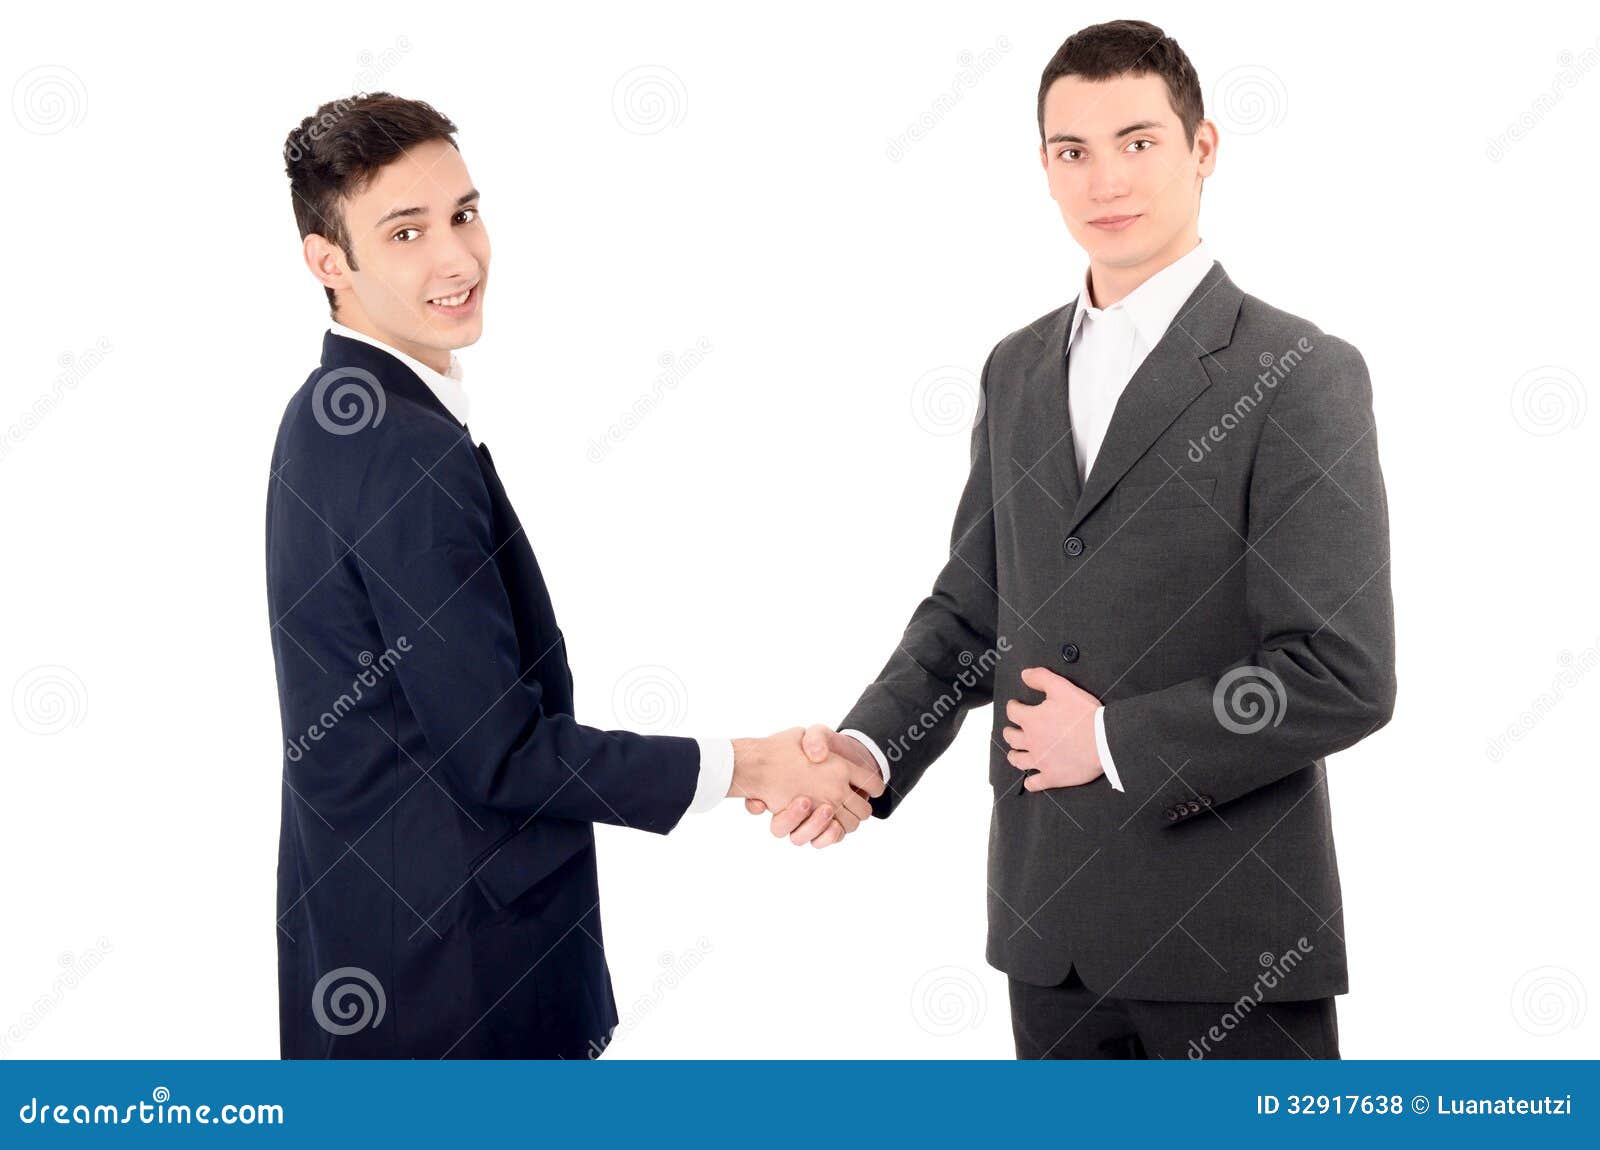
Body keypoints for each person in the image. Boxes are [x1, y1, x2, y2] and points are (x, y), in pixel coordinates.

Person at [749, 19, 1396, 1060]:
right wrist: (868, 751)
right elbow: (970, 615)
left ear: (1203, 149)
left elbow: (1340, 673)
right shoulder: (1014, 370)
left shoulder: (1299, 373)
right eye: (1071, 151)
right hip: (1049, 941)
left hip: (1230, 949)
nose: (1105, 180)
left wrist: (1107, 741)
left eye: (1137, 141)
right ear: (1044, 170)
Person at [267, 93, 883, 1058]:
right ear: (328, 262)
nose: (457, 258)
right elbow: (499, 754)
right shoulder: (401, 450)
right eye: (406, 231)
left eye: (465, 213)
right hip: (460, 992)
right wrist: (751, 764)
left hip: (377, 960)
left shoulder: (331, 414)